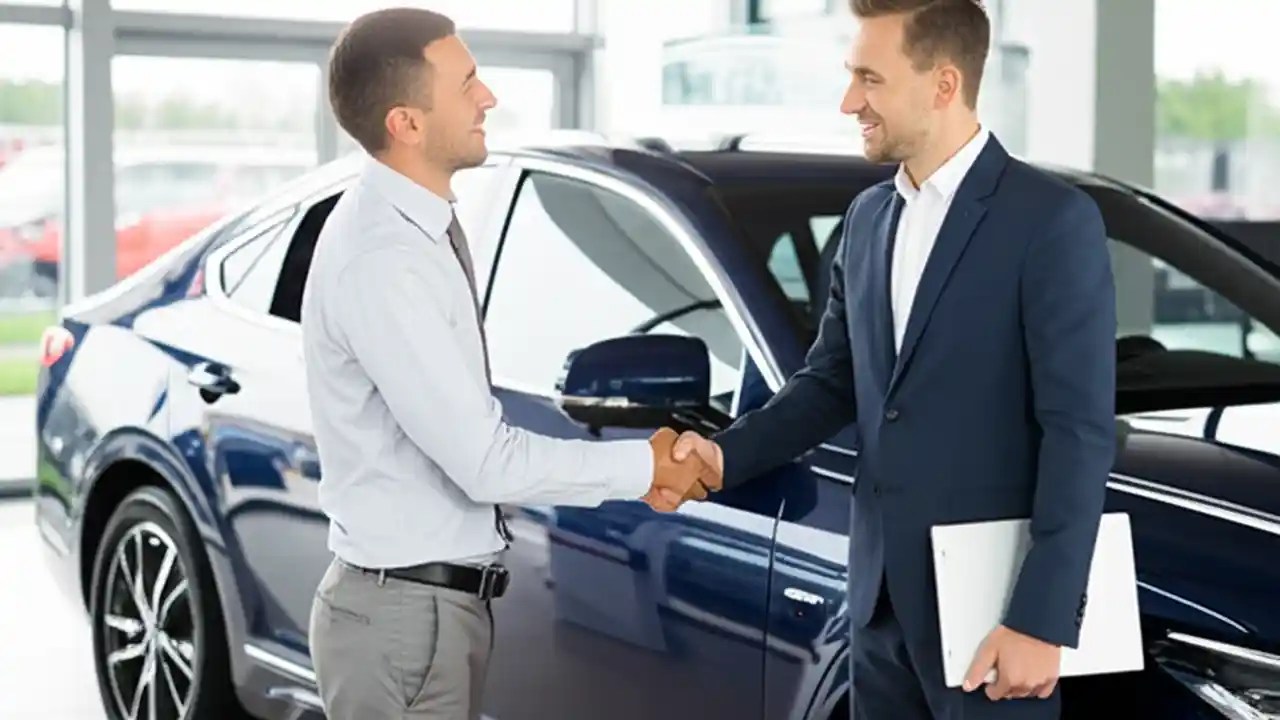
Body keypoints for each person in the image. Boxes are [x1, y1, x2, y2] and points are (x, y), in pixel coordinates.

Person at [667, 0, 1116, 718]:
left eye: (869, 79)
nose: (850, 102)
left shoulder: (1051, 220)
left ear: (943, 84)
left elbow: (1079, 430)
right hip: (878, 603)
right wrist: (721, 458)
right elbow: (832, 381)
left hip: (992, 611)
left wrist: (1041, 617)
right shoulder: (869, 217)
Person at [300, 8, 717, 720]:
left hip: (425, 614)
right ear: (407, 123)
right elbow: (484, 462)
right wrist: (647, 466)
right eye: (466, 83)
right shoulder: (385, 260)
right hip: (406, 622)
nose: (487, 96)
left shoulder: (413, 229)